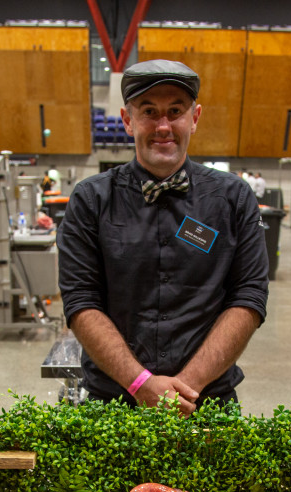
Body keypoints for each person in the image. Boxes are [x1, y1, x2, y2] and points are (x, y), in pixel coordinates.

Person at [57, 59, 268, 415]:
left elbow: (249, 296)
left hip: (207, 401)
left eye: (175, 111)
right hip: (114, 404)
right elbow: (81, 300)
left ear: (195, 117)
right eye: (149, 112)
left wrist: (189, 386)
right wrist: (140, 383)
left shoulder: (233, 198)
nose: (164, 126)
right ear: (127, 120)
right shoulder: (91, 200)